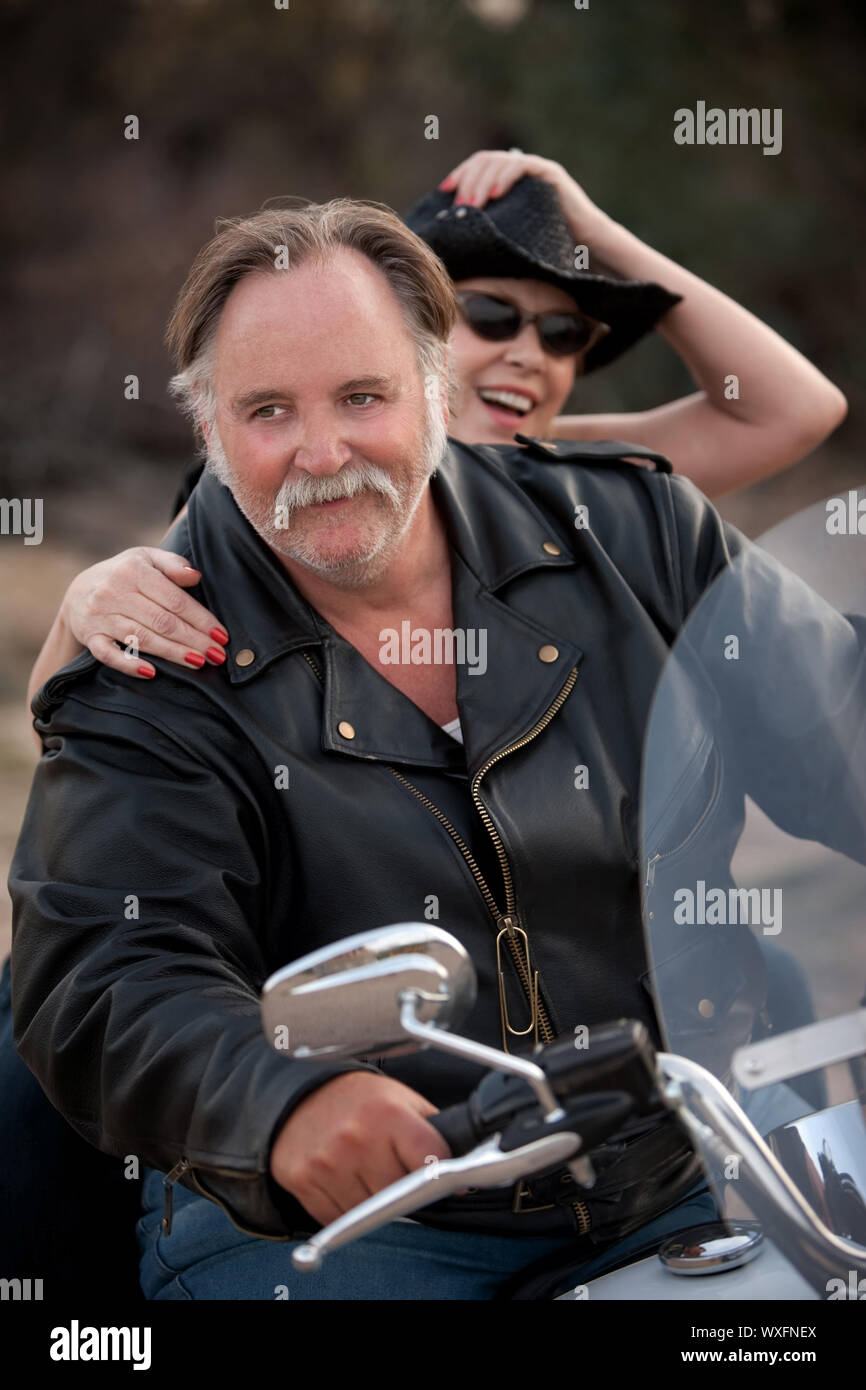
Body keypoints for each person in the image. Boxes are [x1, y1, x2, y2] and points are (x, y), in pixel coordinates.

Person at [9, 198, 865, 1300]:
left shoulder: (639, 533)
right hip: (348, 1224)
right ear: (210, 433)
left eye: (361, 396)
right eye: (267, 410)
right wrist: (277, 1101)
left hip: (686, 1155)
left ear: (429, 386)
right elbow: (104, 968)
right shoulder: (155, 652)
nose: (321, 452)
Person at [24, 151, 847, 700]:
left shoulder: (587, 487)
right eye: (491, 314)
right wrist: (79, 604)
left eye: (564, 334)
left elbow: (796, 409)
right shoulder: (297, 488)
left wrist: (589, 224)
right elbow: (78, 722)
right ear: (404, 336)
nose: (530, 352)